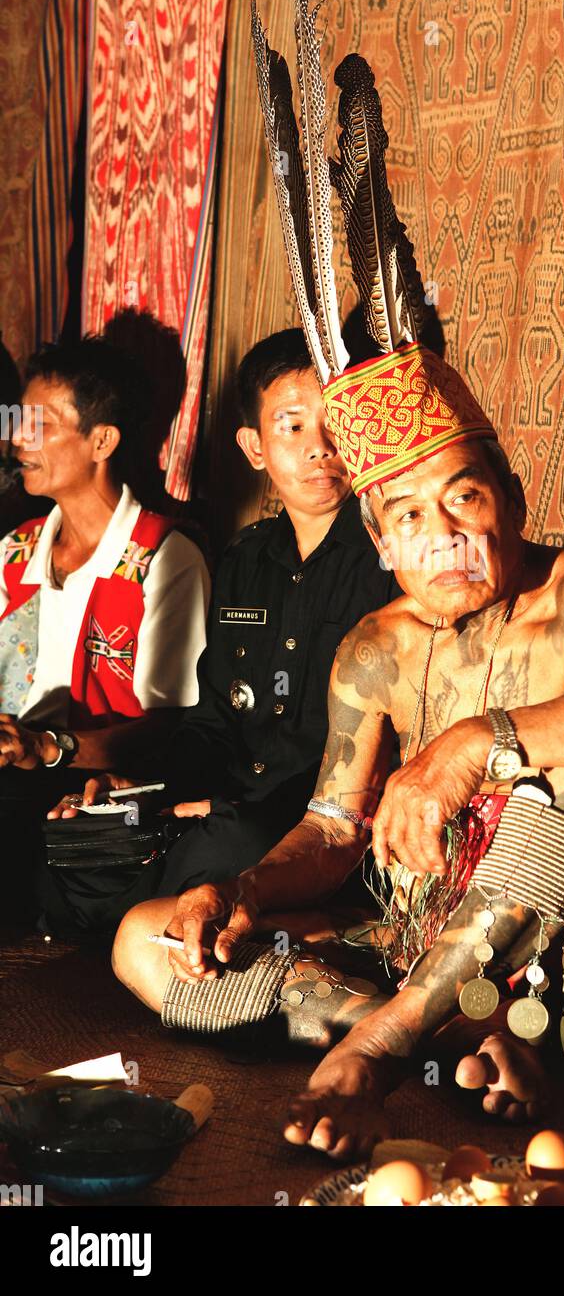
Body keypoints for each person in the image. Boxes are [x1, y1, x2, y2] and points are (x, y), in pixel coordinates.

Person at [112, 341, 564, 1159]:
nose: (442, 536)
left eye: (464, 498)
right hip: (417, 949)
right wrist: (243, 892)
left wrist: (479, 744)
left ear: (510, 496)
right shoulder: (374, 648)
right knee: (144, 940)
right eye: (407, 516)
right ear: (380, 541)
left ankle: (382, 1048)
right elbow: (333, 831)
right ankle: (471, 1043)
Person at [46, 330, 400, 933]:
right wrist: (143, 787)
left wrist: (230, 810)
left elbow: (383, 749)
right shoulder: (246, 558)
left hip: (317, 827)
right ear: (254, 447)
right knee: (75, 840)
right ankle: (166, 919)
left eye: (336, 422)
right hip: (223, 806)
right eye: (291, 427)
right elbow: (212, 723)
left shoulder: (393, 555)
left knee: (232, 845)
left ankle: (174, 924)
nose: (320, 449)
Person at [0, 337, 209, 921]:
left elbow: (168, 726)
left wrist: (45, 750)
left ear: (102, 440)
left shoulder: (163, 556)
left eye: (39, 424)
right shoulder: (14, 552)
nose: (19, 438)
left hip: (86, 777)